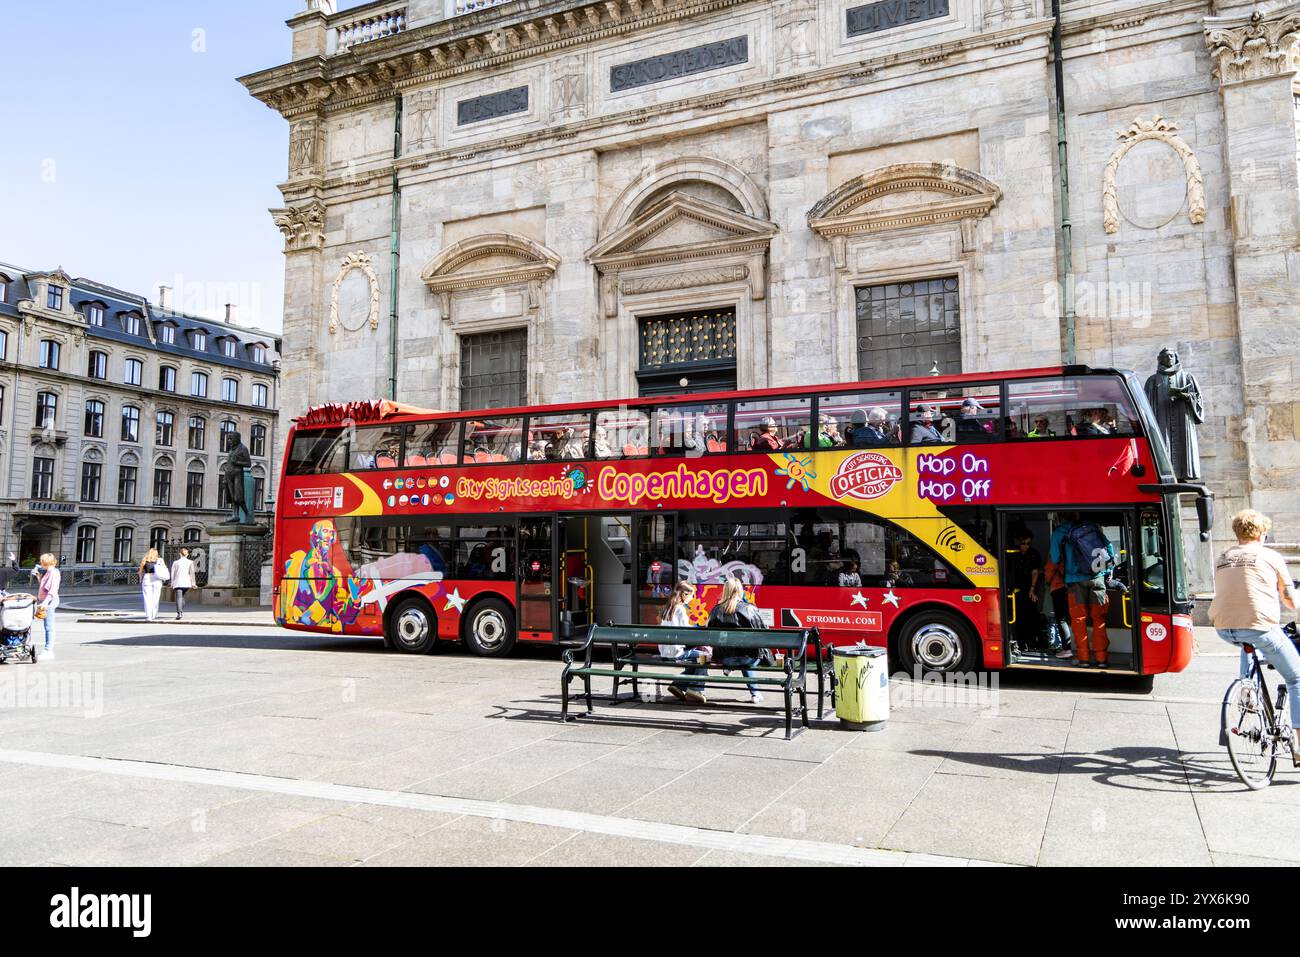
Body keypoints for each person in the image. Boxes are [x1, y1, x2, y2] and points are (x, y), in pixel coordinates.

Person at [1210, 509, 1300, 761]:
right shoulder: (1270, 555)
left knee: (1248, 640)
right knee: (1296, 678)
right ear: (1261, 533)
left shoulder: (1223, 557)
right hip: (1258, 625)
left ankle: (1248, 688)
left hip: (1223, 627)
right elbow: (1291, 602)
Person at [1048, 512, 1116, 667]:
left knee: (1079, 621)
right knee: (1099, 620)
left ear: (1061, 517)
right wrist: (1105, 572)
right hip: (1097, 578)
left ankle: (1083, 659)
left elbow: (1054, 559)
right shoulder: (1092, 527)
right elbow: (1109, 550)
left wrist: (1049, 578)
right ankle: (1101, 659)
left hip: (1074, 582)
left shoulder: (1059, 532)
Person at [707, 576, 767, 704]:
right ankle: (755, 694)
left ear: (725, 591)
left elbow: (709, 634)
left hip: (725, 657)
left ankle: (730, 666)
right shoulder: (749, 608)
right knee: (747, 660)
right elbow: (763, 631)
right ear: (740, 591)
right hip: (748, 656)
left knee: (739, 656)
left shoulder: (716, 610)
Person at [660, 581, 713, 704]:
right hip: (676, 653)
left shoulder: (668, 608)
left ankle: (678, 685)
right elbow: (686, 633)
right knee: (705, 657)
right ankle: (695, 689)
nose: (692, 598)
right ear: (685, 595)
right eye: (691, 595)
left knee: (695, 660)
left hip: (665, 652)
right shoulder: (680, 609)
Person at [1007, 531, 1044, 652]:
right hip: (1015, 590)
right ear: (1018, 541)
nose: (1026, 546)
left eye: (1028, 543)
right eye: (1023, 543)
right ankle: (1019, 642)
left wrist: (1032, 589)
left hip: (1029, 589)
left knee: (1031, 616)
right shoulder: (1012, 553)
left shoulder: (1034, 554)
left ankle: (1031, 642)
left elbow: (1035, 571)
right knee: (1017, 618)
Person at [1043, 553, 1072, 658]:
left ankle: (1067, 649)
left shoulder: (1056, 549)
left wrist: (1047, 579)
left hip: (1058, 586)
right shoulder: (1072, 546)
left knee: (1061, 619)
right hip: (1073, 585)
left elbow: (1050, 568)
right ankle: (1079, 650)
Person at [34, 554, 60, 661]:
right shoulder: (49, 572)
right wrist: (39, 577)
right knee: (47, 626)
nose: (40, 563)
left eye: (41, 561)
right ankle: (47, 650)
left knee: (49, 627)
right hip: (45, 601)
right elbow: (45, 587)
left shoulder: (54, 573)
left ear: (46, 562)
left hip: (49, 601)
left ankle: (48, 650)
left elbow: (52, 590)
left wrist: (45, 603)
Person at [139, 548, 169, 622]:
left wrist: (140, 579)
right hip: (157, 578)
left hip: (147, 578)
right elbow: (164, 569)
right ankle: (154, 614)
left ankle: (148, 616)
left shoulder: (144, 560)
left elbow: (140, 571)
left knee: (147, 598)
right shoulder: (160, 560)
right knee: (156, 597)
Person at [170, 546, 197, 621]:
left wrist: (172, 583)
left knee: (179, 597)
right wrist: (193, 583)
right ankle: (181, 609)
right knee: (182, 597)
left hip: (178, 582)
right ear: (187, 554)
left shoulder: (175, 563)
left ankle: (179, 612)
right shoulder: (190, 562)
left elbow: (173, 574)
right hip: (186, 583)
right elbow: (192, 574)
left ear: (180, 554)